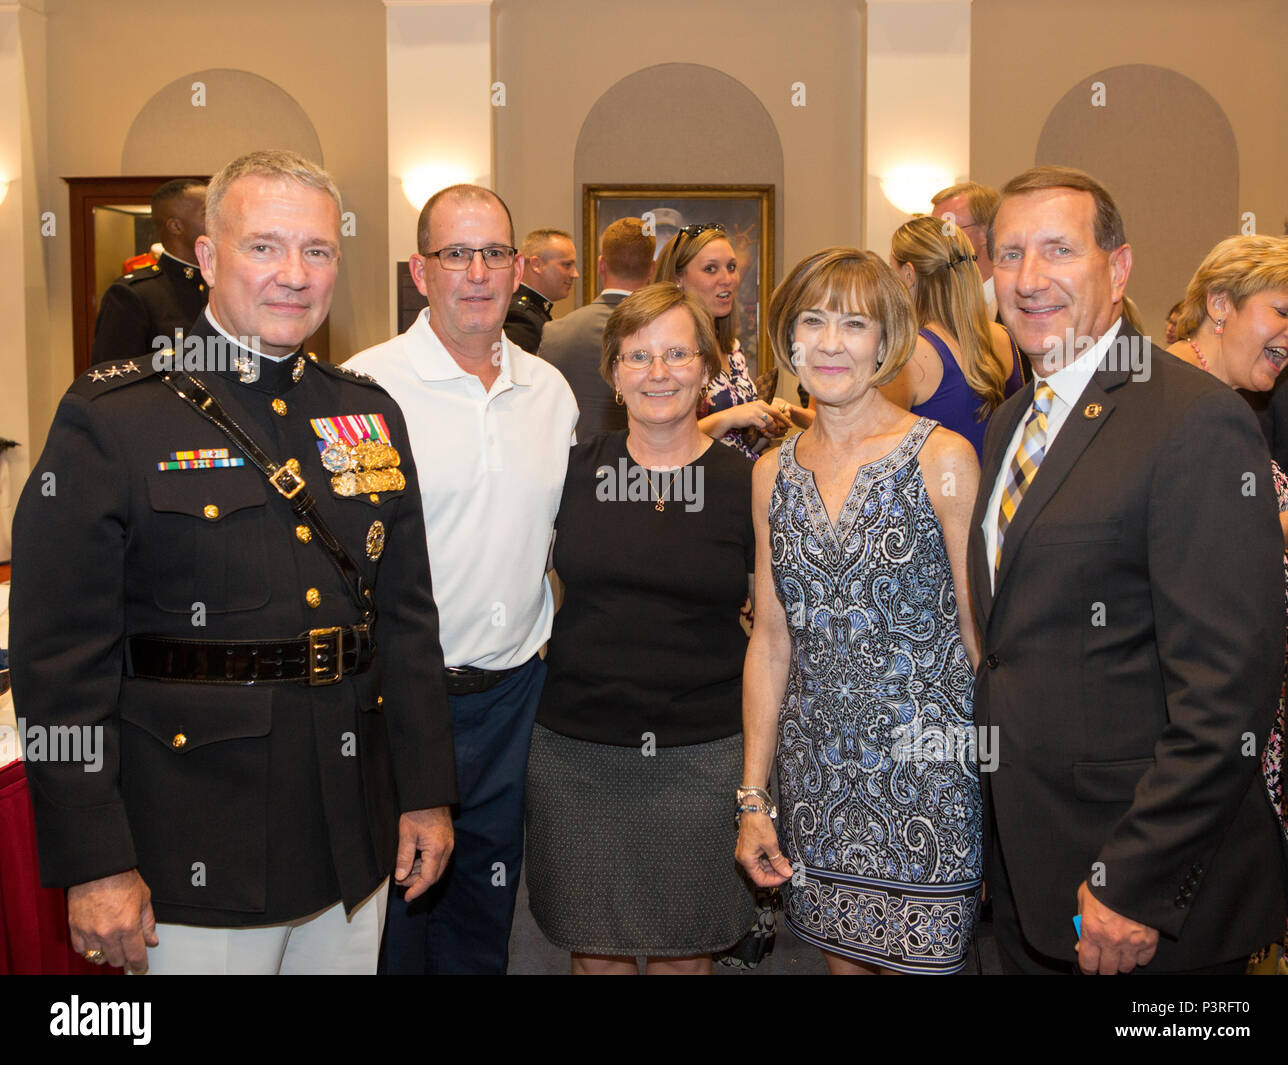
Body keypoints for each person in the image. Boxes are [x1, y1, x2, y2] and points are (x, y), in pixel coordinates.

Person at [9, 150, 457, 975]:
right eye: (264, 246)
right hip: (191, 848)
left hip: (348, 838)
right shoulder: (114, 418)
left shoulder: (364, 413)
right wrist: (95, 860)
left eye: (317, 251)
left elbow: (406, 622)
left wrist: (426, 791)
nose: (294, 274)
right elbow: (58, 660)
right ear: (208, 258)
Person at [973, 164, 1288, 975]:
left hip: (1140, 897)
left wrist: (1136, 883)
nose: (1030, 279)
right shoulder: (1009, 422)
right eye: (1009, 255)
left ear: (1118, 270)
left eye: (1057, 251)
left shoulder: (1193, 419)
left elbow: (1227, 693)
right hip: (1028, 876)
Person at [346, 185, 577, 975]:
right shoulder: (362, 391)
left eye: (494, 254)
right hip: (401, 699)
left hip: (513, 695)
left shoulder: (551, 393)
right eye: (455, 254)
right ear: (420, 271)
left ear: (518, 269)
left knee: (485, 910)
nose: (477, 273)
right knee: (398, 914)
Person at [736, 247, 984, 974]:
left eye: (855, 323)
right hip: (819, 783)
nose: (832, 343)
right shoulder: (771, 471)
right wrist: (754, 795)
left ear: (888, 341)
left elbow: (980, 638)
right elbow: (771, 643)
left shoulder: (942, 457)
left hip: (931, 780)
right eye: (812, 321)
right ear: (788, 339)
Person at [525, 282, 754, 974]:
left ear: (708, 369)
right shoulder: (570, 473)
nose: (659, 372)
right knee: (595, 951)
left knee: (689, 950)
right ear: (614, 375)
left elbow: (774, 629)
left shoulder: (749, 484)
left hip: (703, 752)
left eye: (678, 353)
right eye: (638, 356)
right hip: (578, 752)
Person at [1167, 235, 1288, 974]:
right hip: (1203, 734)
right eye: (1282, 309)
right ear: (1219, 304)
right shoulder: (1186, 407)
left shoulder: (1227, 403)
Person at [653, 224, 797, 459]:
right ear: (678, 278)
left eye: (731, 267)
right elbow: (661, 442)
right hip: (695, 489)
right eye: (711, 269)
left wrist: (763, 428)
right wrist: (732, 416)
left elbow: (738, 445)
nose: (727, 279)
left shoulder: (732, 348)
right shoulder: (665, 351)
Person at [884, 215, 1020, 460]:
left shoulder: (909, 353)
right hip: (1000, 494)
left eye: (891, 269)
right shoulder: (1005, 337)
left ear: (908, 274)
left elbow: (882, 455)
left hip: (936, 497)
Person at [536, 217, 653, 439]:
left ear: (601, 264)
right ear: (652, 269)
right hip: (648, 470)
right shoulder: (665, 334)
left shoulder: (556, 332)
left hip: (575, 467)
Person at [91, 178, 209, 364]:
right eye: (207, 213)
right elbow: (114, 380)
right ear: (176, 226)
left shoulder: (225, 285)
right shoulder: (133, 295)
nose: (220, 220)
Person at [931, 181, 999, 320]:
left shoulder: (1015, 299)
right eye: (932, 233)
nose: (935, 241)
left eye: (947, 230)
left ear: (985, 233)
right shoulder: (937, 304)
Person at [503, 228, 579, 353]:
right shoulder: (522, 317)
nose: (575, 274)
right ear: (536, 264)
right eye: (566, 265)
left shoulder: (534, 312)